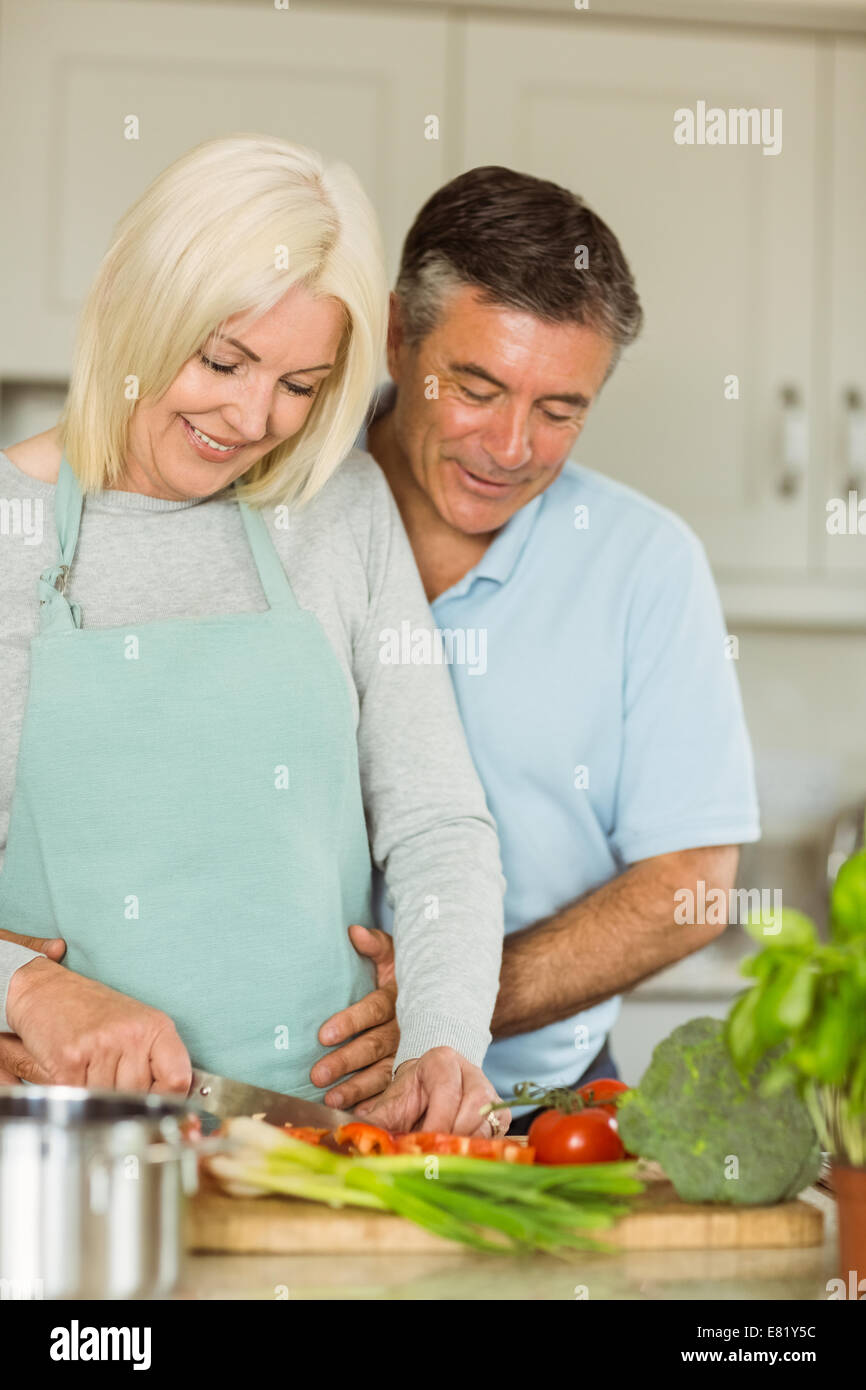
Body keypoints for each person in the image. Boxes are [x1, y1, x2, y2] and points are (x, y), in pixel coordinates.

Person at [0, 136, 510, 1137]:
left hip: (322, 1146)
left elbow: (437, 822)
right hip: (66, 1148)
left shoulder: (338, 507)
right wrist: (29, 992)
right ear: (138, 307)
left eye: (300, 383)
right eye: (223, 360)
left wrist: (443, 1035)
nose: (250, 417)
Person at [309, 165, 761, 1135]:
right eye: (475, 387)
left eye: (558, 410)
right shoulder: (280, 501)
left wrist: (443, 1007)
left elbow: (690, 885)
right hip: (272, 1092)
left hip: (536, 1107)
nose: (510, 445)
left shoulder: (645, 564)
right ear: (398, 334)